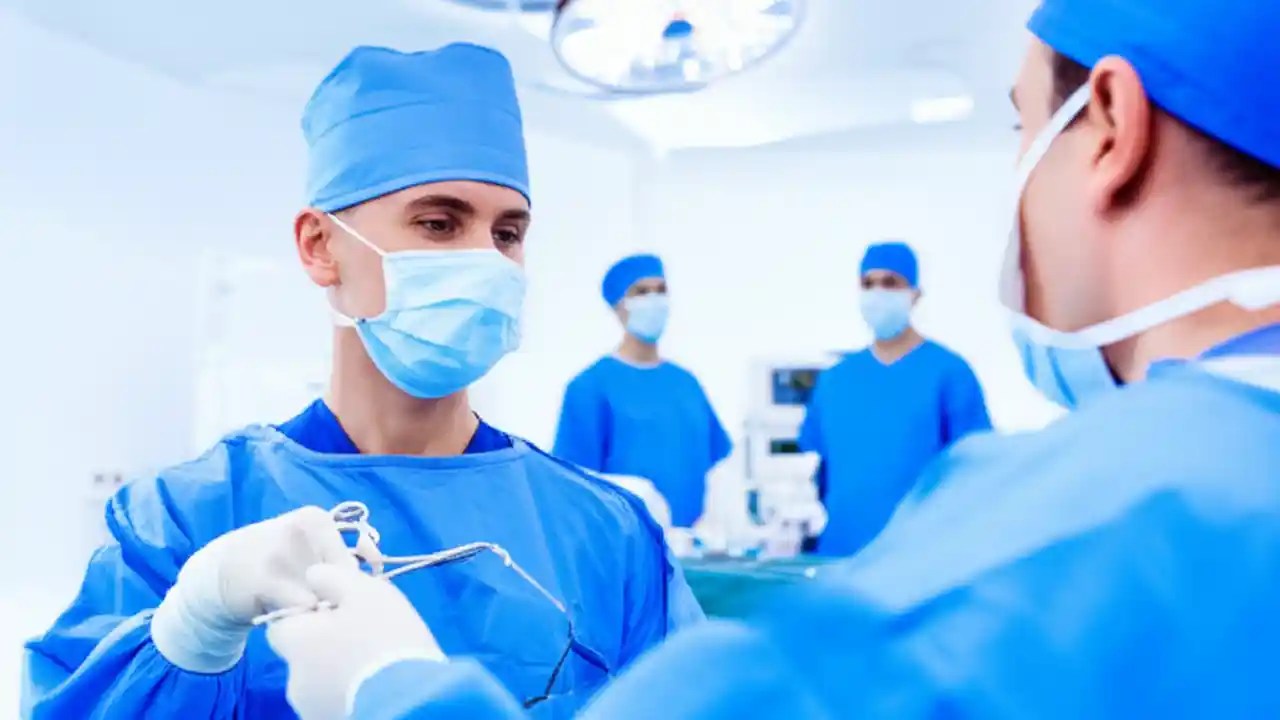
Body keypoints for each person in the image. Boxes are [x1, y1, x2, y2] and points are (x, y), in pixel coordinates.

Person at [264, 0, 1280, 716]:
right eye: (436, 223)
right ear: (319, 247)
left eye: (1022, 125)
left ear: (1109, 125)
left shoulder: (1094, 520)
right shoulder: (203, 507)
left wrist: (391, 687)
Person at [24, 43, 702, 719]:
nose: (485, 261)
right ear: (320, 246)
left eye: (507, 234)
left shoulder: (606, 534)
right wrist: (191, 634)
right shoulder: (186, 521)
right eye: (439, 224)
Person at [800, 241, 991, 556]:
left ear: (915, 294)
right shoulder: (836, 380)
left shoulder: (949, 373)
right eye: (868, 284)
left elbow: (974, 471)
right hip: (841, 555)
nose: (877, 293)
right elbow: (822, 475)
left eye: (890, 283)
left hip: (921, 557)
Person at [553, 254, 731, 528]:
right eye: (642, 292)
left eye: (661, 290)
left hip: (692, 541)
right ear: (618, 305)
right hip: (627, 540)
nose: (654, 300)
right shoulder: (589, 387)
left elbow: (717, 465)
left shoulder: (686, 383)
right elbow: (575, 488)